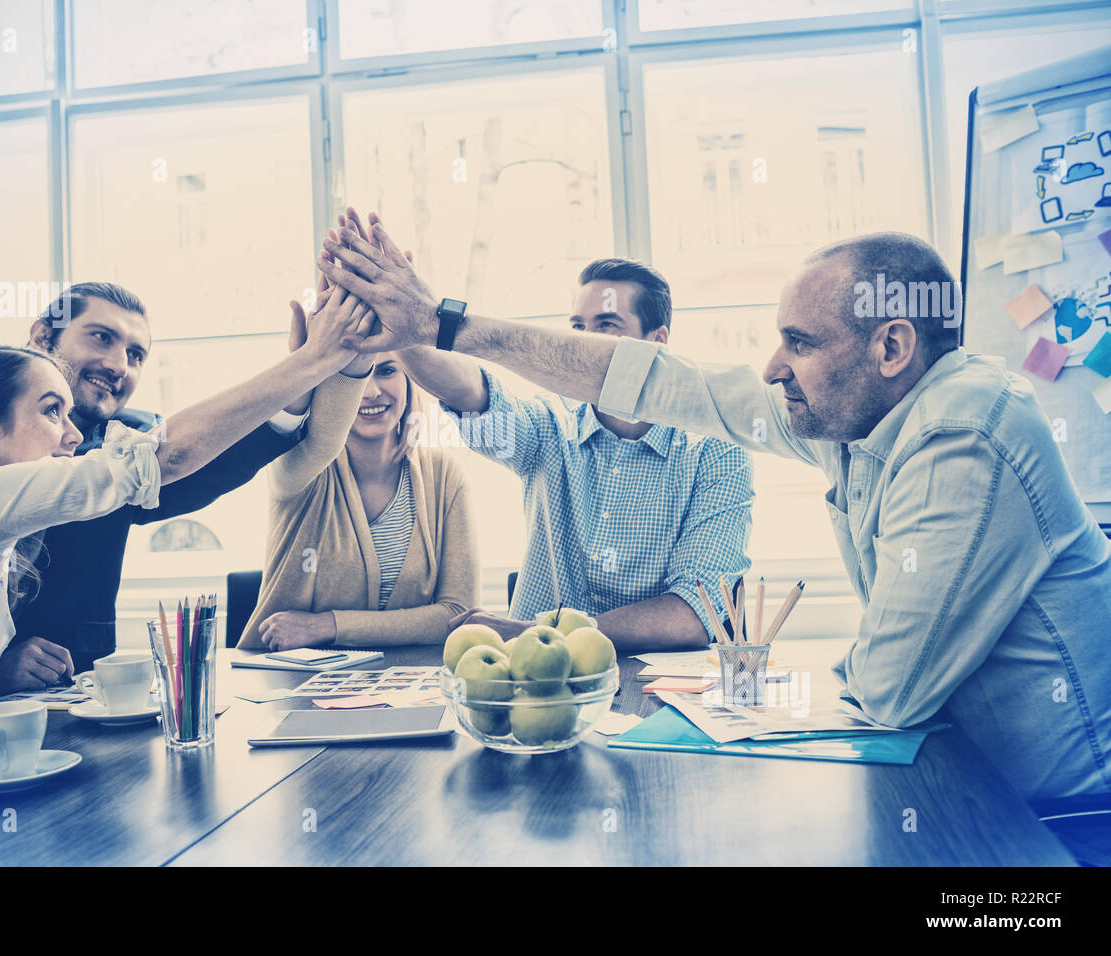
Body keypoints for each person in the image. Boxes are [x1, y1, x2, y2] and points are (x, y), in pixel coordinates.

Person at [319, 212, 1111, 815]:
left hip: (1057, 822)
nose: (774, 367)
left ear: (892, 348)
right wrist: (439, 326)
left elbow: (888, 690)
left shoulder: (963, 430)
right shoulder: (857, 415)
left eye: (798, 342)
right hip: (974, 780)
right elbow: (671, 385)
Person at [0, 289, 368, 756]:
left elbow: (188, 464)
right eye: (101, 337)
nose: (120, 364)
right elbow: (161, 459)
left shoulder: (13, 535)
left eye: (137, 353)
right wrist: (312, 360)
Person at [394, 246, 752, 650]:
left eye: (606, 325)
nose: (582, 344)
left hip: (652, 692)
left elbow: (693, 615)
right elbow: (471, 393)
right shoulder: (549, 424)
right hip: (541, 684)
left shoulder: (715, 453)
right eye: (577, 328)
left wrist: (542, 634)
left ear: (658, 342)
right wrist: (404, 328)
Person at [239, 279, 477, 651]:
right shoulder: (302, 467)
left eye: (385, 370)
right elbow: (320, 440)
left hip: (406, 690)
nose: (369, 392)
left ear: (410, 378)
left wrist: (329, 626)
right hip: (290, 687)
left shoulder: (444, 476)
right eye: (352, 372)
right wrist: (307, 363)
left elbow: (458, 614)